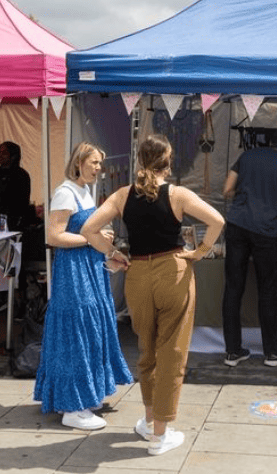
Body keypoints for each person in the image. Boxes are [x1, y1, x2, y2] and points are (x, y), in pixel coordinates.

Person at [81, 134, 224, 456]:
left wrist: (114, 252)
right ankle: (160, 433)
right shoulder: (177, 194)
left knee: (147, 351)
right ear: (167, 160)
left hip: (138, 275)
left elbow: (88, 230)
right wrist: (200, 252)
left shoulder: (121, 195)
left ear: (139, 160)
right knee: (172, 352)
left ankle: (149, 422)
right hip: (172, 270)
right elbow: (217, 220)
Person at [33, 142, 133, 431]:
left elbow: (84, 231)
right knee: (76, 330)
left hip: (89, 269)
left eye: (100, 163)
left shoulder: (83, 192)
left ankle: (83, 395)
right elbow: (54, 236)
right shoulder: (65, 192)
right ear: (79, 163)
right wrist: (92, 238)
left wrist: (102, 238)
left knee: (90, 328)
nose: (99, 168)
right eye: (94, 163)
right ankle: (72, 406)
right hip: (74, 272)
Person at [221, 128, 277, 368]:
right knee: (267, 291)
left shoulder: (247, 156)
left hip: (237, 225)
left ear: (268, 142)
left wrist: (247, 194)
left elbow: (226, 190)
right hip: (265, 231)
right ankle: (273, 354)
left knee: (233, 288)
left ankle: (232, 352)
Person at [0, 141, 31, 231]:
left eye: (4, 153)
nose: (0, 155)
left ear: (13, 156)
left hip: (13, 223)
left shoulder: (21, 175)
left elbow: (22, 202)